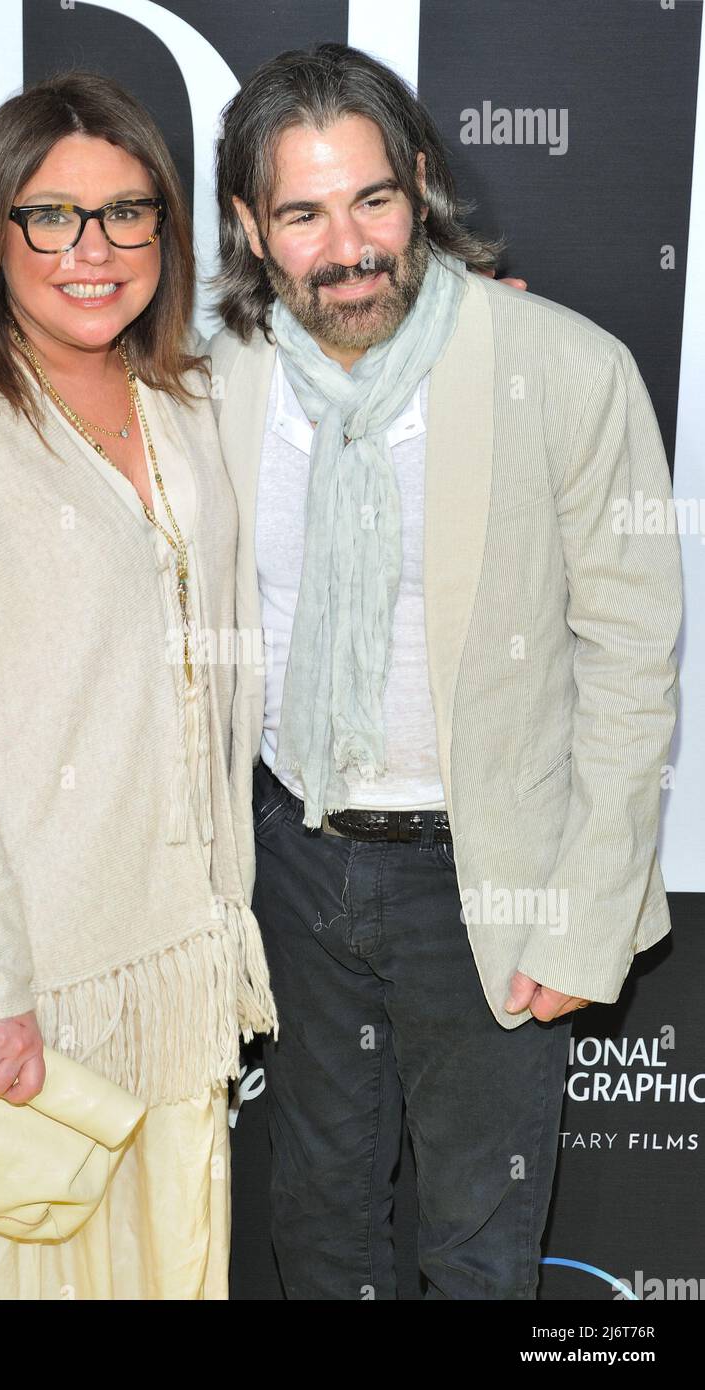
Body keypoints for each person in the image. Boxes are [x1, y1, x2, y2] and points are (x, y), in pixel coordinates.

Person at [206, 42, 682, 1299]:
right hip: (291, 861)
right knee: (315, 1234)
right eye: (303, 212)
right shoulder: (214, 382)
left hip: (487, 876)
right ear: (251, 227)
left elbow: (633, 662)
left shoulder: (563, 369)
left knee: (479, 1253)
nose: (347, 243)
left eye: (371, 198)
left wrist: (582, 914)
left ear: (420, 184)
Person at [0, 70, 276, 1301]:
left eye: (128, 213)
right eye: (53, 215)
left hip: (167, 972)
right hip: (15, 1000)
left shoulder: (181, 399)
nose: (95, 249)